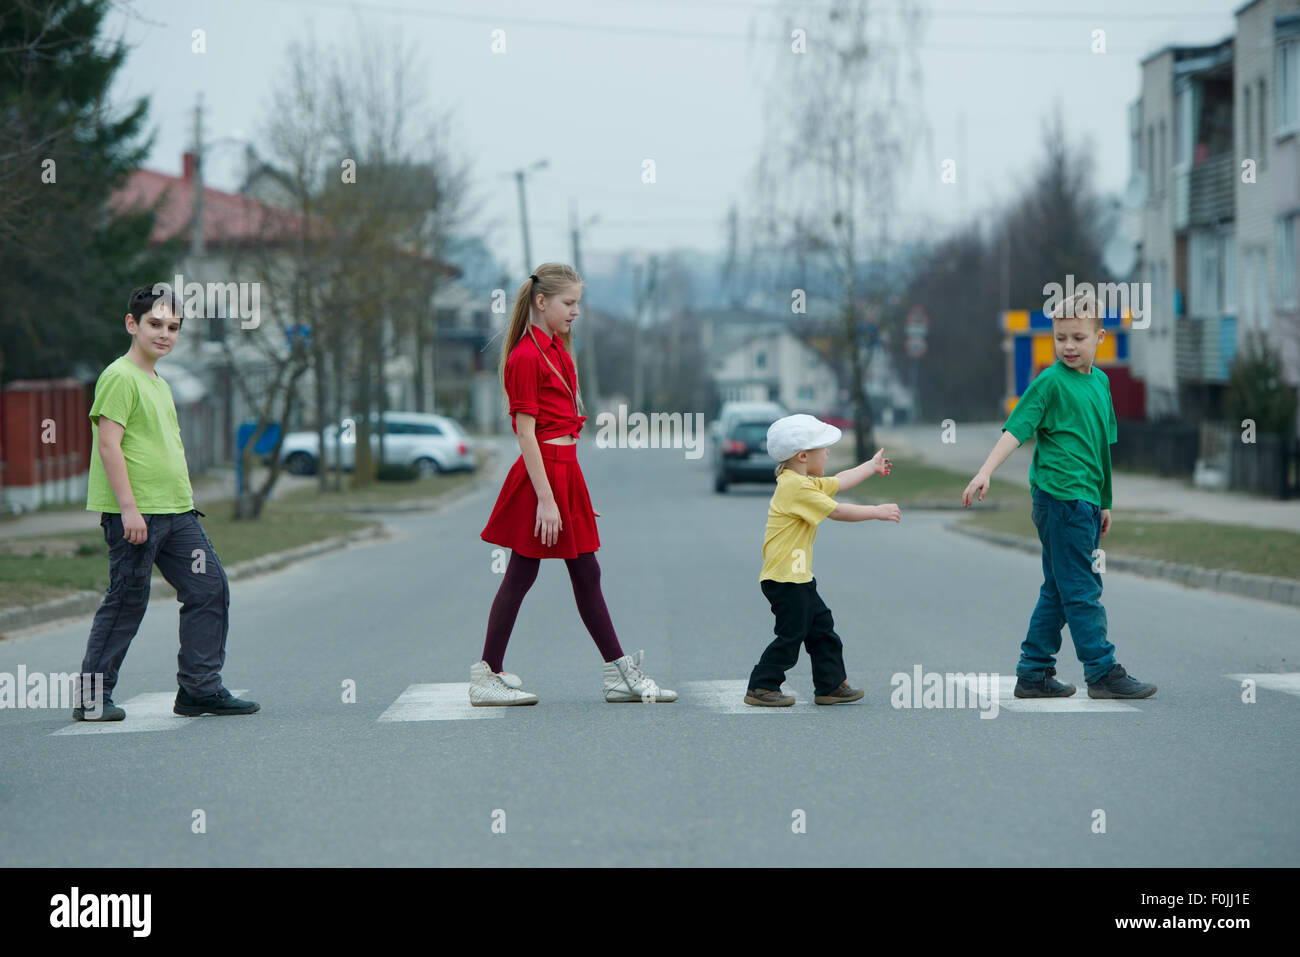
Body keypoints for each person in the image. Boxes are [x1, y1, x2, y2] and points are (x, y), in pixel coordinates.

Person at [474, 263, 676, 705]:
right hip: (540, 477)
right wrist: (548, 500)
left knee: (585, 572)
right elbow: (526, 433)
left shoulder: (559, 351)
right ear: (541, 301)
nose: (576, 312)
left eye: (578, 303)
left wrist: (574, 497)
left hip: (563, 475)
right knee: (522, 574)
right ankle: (487, 675)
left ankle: (615, 672)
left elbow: (564, 433)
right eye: (569, 303)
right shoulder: (526, 356)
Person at [72, 285, 259, 721]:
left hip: (177, 515)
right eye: (155, 324)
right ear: (132, 324)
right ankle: (91, 697)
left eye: (173, 327)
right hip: (137, 515)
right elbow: (109, 446)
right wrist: (128, 509)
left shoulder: (157, 380)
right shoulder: (120, 376)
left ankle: (199, 689)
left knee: (208, 589)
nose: (164, 334)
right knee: (126, 601)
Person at [961, 288, 1156, 699]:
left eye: (1078, 338)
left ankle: (1033, 673)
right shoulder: (1049, 383)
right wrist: (985, 471)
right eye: (1060, 337)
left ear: (1100, 337)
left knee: (1059, 587)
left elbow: (1100, 449)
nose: (1068, 346)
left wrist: (1104, 502)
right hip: (1058, 499)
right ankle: (1101, 671)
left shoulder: (1100, 383)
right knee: (1083, 587)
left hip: (1084, 502)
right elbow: (1016, 429)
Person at [745, 414, 900, 707]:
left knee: (822, 629)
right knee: (792, 635)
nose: (828, 452)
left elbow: (840, 481)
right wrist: (877, 510)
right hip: (784, 578)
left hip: (798, 576)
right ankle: (761, 686)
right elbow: (838, 512)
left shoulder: (803, 482)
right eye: (823, 447)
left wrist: (870, 466)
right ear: (803, 456)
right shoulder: (795, 487)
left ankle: (829, 685)